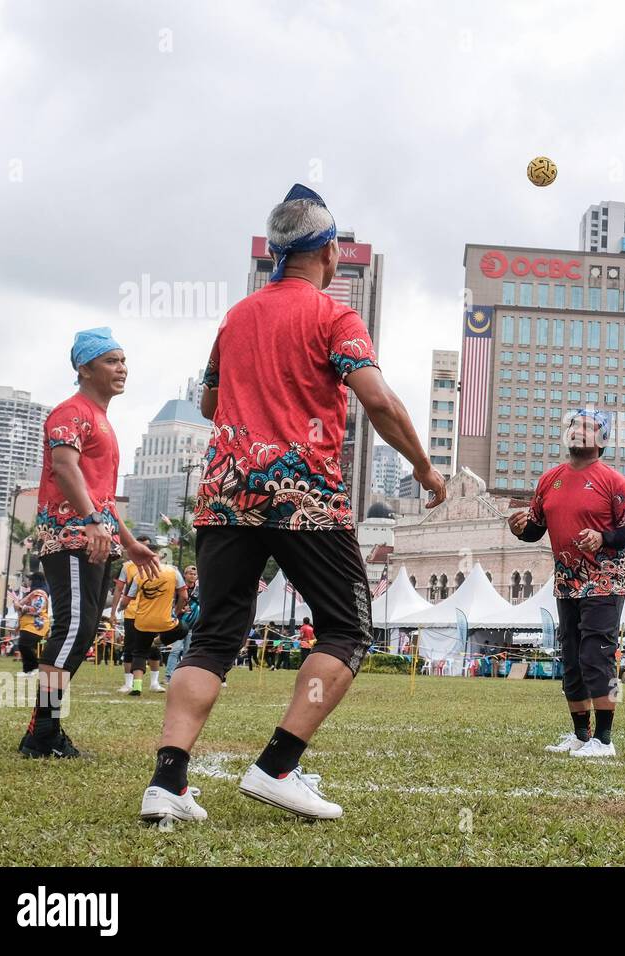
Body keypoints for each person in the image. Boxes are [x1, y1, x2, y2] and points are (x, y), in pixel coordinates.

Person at [140, 185, 446, 824]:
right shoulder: (334, 316)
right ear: (329, 253)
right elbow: (379, 400)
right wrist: (422, 466)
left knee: (214, 634)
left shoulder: (237, 317)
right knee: (346, 628)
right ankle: (277, 766)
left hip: (226, 489)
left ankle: (167, 782)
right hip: (301, 492)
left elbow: (208, 403)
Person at [20, 328, 160, 758]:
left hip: (96, 536)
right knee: (72, 628)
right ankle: (43, 733)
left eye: (123, 360)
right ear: (84, 368)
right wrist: (91, 521)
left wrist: (129, 542)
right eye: (111, 361)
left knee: (83, 633)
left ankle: (43, 728)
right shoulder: (71, 411)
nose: (122, 368)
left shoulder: (102, 420)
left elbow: (102, 496)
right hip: (72, 536)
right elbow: (64, 468)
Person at [509, 408, 625, 759]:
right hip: (566, 584)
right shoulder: (549, 480)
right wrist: (518, 528)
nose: (578, 431)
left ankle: (605, 740)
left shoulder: (614, 482)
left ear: (602, 438)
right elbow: (535, 529)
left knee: (597, 656)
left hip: (605, 583)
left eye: (587, 427)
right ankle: (582, 735)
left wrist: (602, 537)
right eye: (574, 425)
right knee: (571, 659)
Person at [125, 550, 188, 695]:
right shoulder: (173, 571)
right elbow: (184, 596)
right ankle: (157, 642)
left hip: (143, 620)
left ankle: (137, 687)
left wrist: (121, 608)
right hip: (164, 620)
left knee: (139, 652)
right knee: (183, 628)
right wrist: (176, 611)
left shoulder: (138, 574)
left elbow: (128, 598)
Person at [113, 534, 160, 694]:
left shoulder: (160, 566)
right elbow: (119, 589)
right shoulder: (127, 567)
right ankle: (128, 683)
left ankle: (154, 683)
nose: (142, 549)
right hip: (131, 612)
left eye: (145, 546)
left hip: (152, 612)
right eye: (139, 545)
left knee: (153, 647)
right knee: (129, 648)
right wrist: (114, 612)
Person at [165, 565, 200, 682]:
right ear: (184, 575)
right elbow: (171, 603)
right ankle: (169, 676)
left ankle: (184, 677)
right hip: (178, 624)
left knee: (188, 652)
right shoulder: (179, 588)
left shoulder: (199, 590)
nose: (193, 576)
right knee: (175, 650)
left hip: (192, 625)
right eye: (190, 574)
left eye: (195, 574)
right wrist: (179, 609)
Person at [14, 572, 51, 677]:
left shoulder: (39, 593)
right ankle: (28, 670)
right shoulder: (34, 593)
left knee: (24, 645)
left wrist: (20, 607)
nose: (28, 582)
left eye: (30, 579)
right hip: (29, 625)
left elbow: (36, 609)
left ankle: (35, 667)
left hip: (36, 625)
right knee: (23, 645)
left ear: (35, 581)